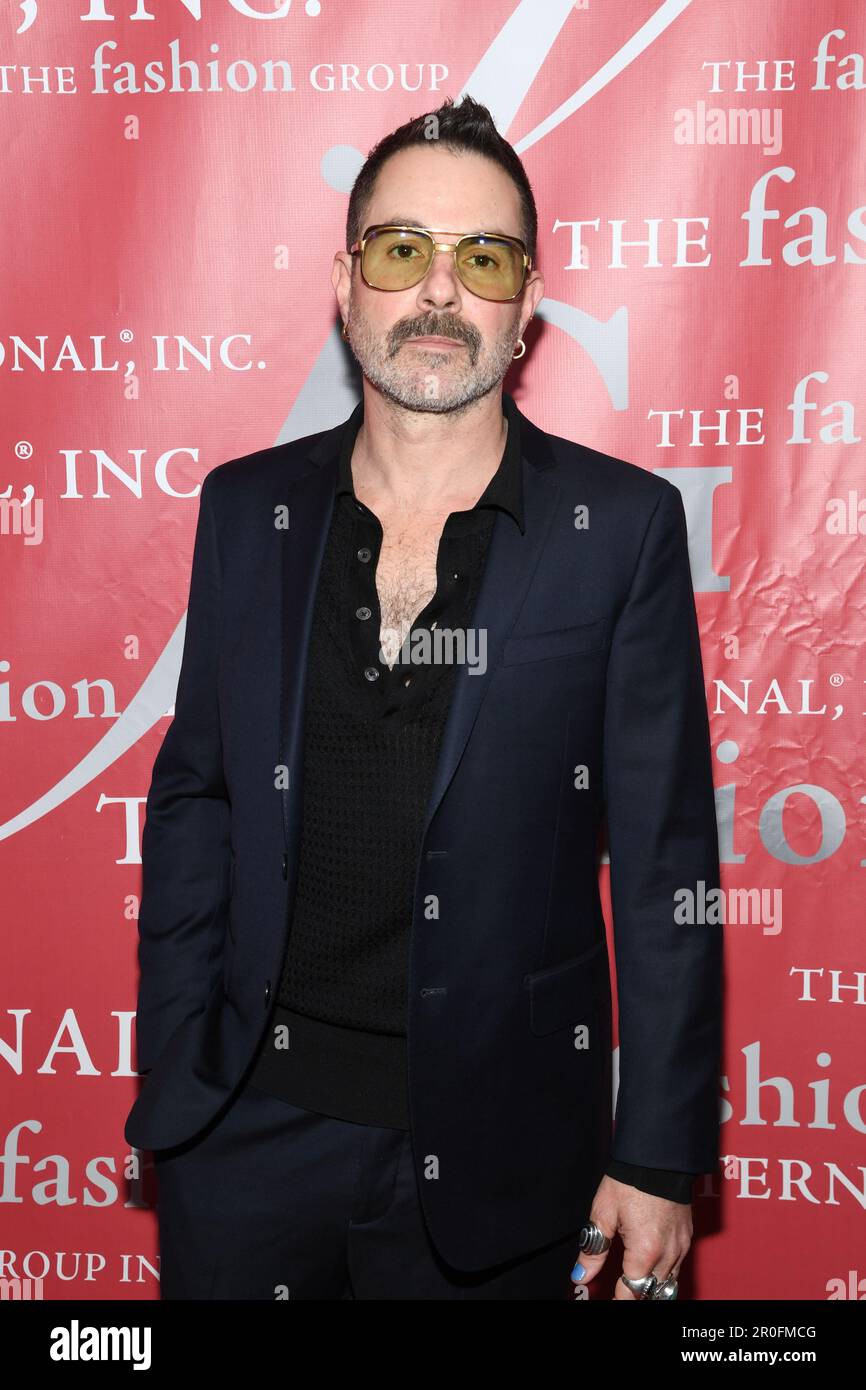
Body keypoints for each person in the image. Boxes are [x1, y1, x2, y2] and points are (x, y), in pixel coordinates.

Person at [125, 94, 723, 1301]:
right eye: (403, 251)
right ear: (348, 284)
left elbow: (666, 870)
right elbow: (199, 795)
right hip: (242, 1138)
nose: (439, 294)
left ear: (528, 300)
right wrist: (178, 1068)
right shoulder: (249, 511)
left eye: (482, 259)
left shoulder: (617, 529)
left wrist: (657, 1152)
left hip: (499, 1154)